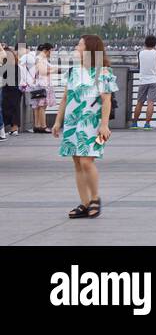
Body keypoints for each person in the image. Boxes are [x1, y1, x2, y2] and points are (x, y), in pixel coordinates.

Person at [53, 35, 118, 219]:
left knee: (86, 161)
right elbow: (66, 98)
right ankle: (85, 203)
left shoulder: (103, 72)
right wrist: (58, 121)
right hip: (72, 123)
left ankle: (95, 198)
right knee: (77, 162)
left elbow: (106, 101)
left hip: (93, 124)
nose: (76, 46)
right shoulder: (73, 71)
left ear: (89, 49)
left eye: (79, 44)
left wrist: (104, 125)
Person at [130, 35, 156, 130]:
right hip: (154, 80)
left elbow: (139, 65)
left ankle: (134, 123)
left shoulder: (140, 53)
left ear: (145, 43)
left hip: (143, 80)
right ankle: (147, 124)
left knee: (139, 102)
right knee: (150, 103)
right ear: (155, 44)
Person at [26, 43, 54, 134]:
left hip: (39, 84)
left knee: (37, 106)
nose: (52, 53)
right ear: (47, 50)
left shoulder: (39, 58)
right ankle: (43, 126)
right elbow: (42, 72)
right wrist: (54, 69)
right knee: (42, 106)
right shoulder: (40, 59)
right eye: (51, 51)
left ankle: (37, 126)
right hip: (43, 84)